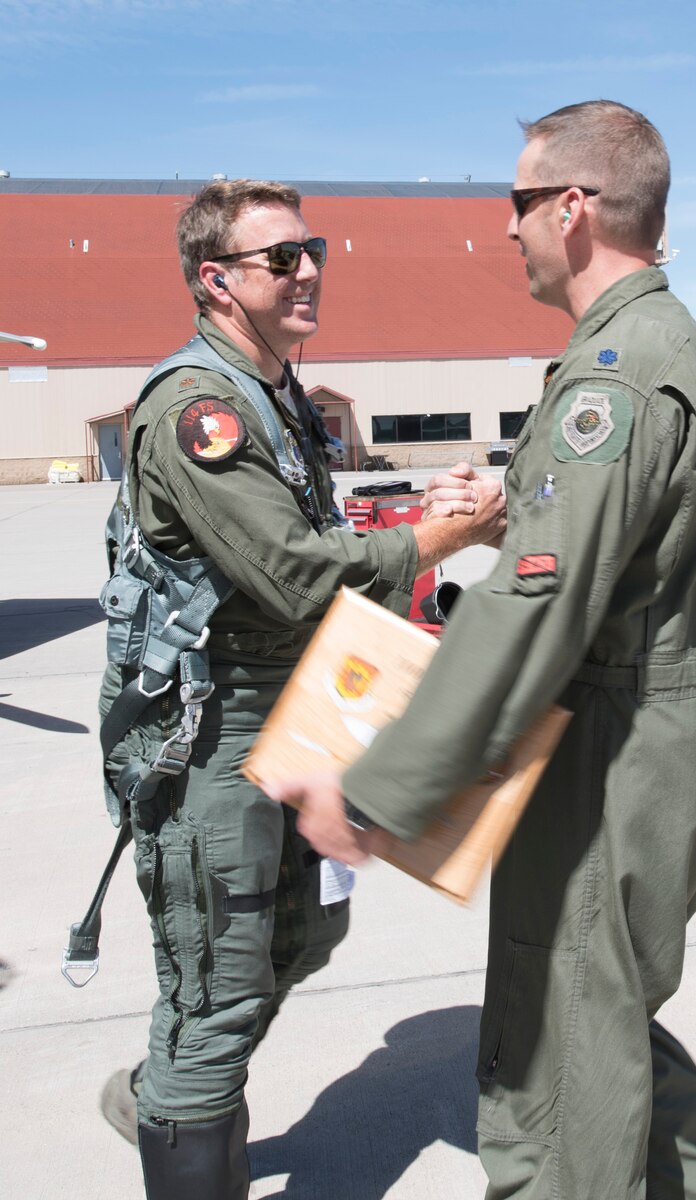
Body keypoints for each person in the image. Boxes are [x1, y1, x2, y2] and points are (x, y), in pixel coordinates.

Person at [276, 102, 696, 1199]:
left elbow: (532, 612)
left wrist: (378, 785)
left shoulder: (612, 376)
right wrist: (509, 509)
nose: (507, 229)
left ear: (573, 209)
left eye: (518, 203)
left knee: (561, 1083)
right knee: (616, 1039)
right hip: (644, 738)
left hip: (608, 761)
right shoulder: (645, 348)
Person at [97, 178, 506, 1199]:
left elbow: (305, 546)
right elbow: (288, 576)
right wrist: (439, 539)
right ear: (216, 281)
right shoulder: (199, 409)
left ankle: (165, 1087)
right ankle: (180, 1094)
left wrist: (415, 514)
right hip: (213, 737)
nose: (309, 269)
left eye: (311, 248)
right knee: (217, 997)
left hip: (301, 713)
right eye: (281, 258)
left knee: (305, 938)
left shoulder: (273, 392)